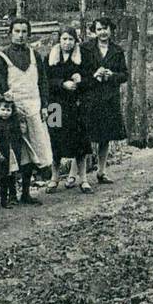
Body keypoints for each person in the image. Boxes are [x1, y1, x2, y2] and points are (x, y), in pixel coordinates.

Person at [0, 18, 53, 205]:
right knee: (13, 150)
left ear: (29, 34)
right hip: (13, 109)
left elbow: (42, 82)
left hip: (34, 107)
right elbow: (1, 83)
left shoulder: (35, 55)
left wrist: (44, 105)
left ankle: (26, 192)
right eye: (17, 31)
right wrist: (8, 102)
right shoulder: (2, 56)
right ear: (10, 33)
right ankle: (10, 194)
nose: (20, 35)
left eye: (24, 31)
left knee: (33, 149)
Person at [81, 16, 128, 185]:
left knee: (105, 136)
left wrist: (112, 75)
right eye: (99, 29)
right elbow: (79, 71)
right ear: (94, 31)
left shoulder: (117, 50)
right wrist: (93, 75)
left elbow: (124, 75)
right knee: (84, 136)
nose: (103, 32)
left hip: (109, 98)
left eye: (106, 29)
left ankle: (101, 171)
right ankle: (77, 174)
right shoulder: (85, 49)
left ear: (111, 30)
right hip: (90, 97)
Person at [45, 28, 92, 193]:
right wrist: (62, 84)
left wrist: (81, 80)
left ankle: (83, 179)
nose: (67, 43)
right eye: (64, 39)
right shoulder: (50, 59)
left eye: (71, 39)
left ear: (75, 41)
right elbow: (45, 82)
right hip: (55, 106)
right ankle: (54, 178)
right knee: (54, 142)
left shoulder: (82, 59)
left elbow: (90, 81)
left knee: (80, 142)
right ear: (59, 40)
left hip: (76, 106)